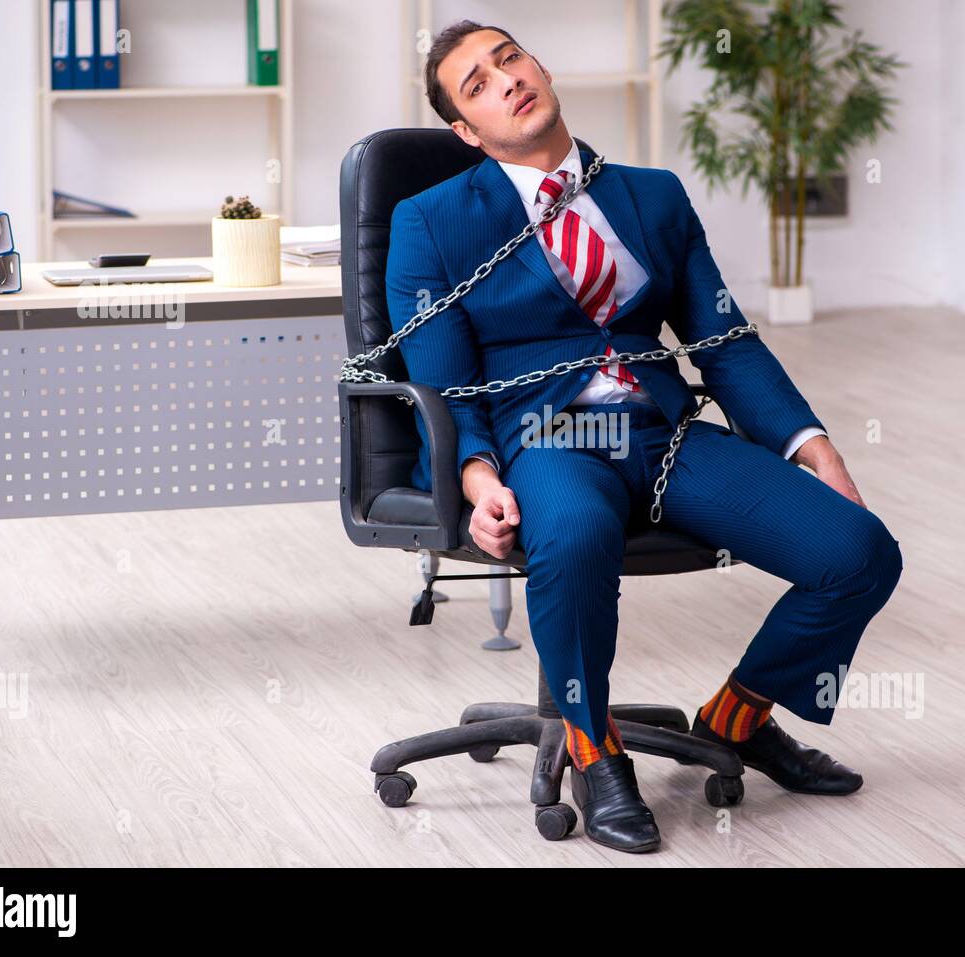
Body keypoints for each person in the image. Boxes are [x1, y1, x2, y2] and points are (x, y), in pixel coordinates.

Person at [385, 20, 903, 853]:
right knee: (579, 531)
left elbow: (723, 341)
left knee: (860, 550)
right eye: (476, 84)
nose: (506, 80)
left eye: (509, 58)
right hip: (546, 438)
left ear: (540, 64)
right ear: (465, 131)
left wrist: (812, 445)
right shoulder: (432, 220)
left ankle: (736, 719)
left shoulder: (652, 194)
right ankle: (597, 752)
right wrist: (477, 478)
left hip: (662, 433)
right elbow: (442, 380)